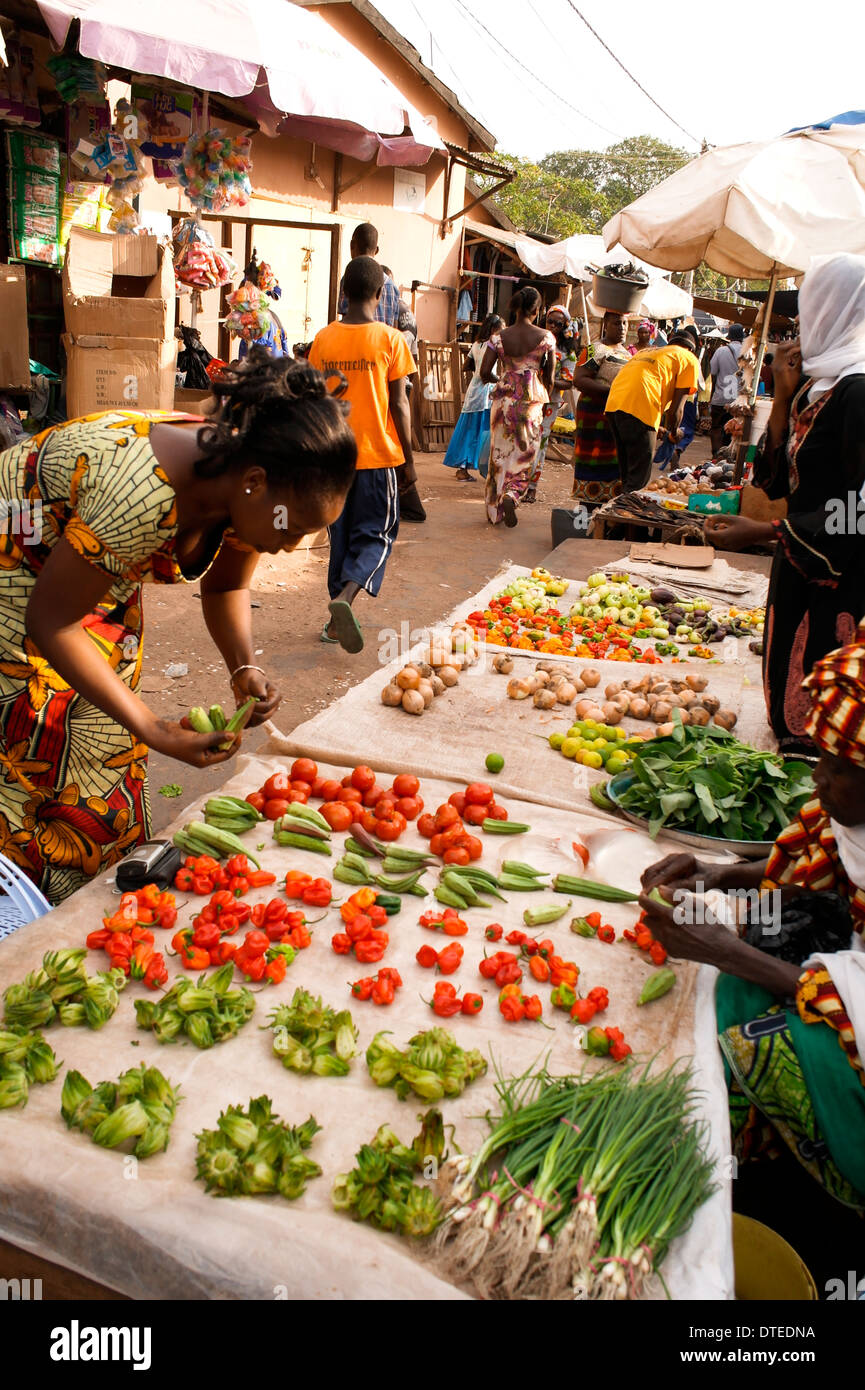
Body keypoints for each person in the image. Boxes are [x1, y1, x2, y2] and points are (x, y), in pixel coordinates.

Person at [0, 353, 357, 903]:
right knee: (40, 736)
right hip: (16, 559)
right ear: (256, 484)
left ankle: (104, 889)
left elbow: (226, 587)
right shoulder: (141, 491)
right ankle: (28, 909)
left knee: (107, 739)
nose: (294, 544)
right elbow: (50, 621)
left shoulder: (252, 486)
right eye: (296, 529)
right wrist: (156, 729)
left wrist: (244, 667)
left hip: (91, 572)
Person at [637, 626, 865, 1211]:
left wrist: (720, 949)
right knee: (764, 929)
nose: (816, 777)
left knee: (775, 1039)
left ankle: (804, 1184)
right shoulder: (851, 812)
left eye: (837, 768)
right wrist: (716, 873)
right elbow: (822, 856)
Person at [704, 252, 865, 753]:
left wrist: (765, 532)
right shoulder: (815, 384)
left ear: (837, 310)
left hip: (840, 572)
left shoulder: (858, 392)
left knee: (825, 710)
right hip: (797, 561)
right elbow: (775, 484)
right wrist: (781, 396)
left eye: (808, 310)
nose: (797, 327)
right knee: (787, 691)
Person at [308, 256, 415, 653]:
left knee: (341, 537)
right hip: (377, 458)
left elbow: (316, 401)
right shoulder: (391, 339)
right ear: (380, 292)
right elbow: (400, 404)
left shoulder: (322, 339)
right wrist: (410, 461)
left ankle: (335, 622)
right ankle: (347, 598)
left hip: (335, 461)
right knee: (377, 535)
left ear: (343, 293)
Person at [479, 287, 555, 527]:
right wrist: (542, 395)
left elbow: (483, 373)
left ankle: (494, 511)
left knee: (499, 455)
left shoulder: (498, 338)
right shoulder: (546, 337)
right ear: (537, 310)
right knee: (525, 454)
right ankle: (513, 494)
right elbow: (550, 377)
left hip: (504, 401)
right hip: (531, 401)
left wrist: (504, 381)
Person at [603, 332, 700, 492]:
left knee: (627, 471)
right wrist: (674, 432)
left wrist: (659, 428)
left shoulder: (648, 352)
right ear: (691, 348)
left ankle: (618, 511)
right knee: (638, 477)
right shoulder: (689, 359)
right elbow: (677, 410)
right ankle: (626, 512)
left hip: (614, 405)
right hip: (641, 407)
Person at [571, 310, 631, 509]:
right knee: (592, 463)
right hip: (593, 416)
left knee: (614, 465)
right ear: (606, 324)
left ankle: (605, 515)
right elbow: (579, 380)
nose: (621, 328)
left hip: (614, 417)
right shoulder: (594, 349)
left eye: (624, 323)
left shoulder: (626, 353)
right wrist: (613, 391)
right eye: (616, 323)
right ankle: (586, 512)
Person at [442, 314, 503, 481]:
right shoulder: (494, 345)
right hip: (485, 393)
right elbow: (486, 375)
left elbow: (466, 366)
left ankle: (463, 467)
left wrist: (477, 370)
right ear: (493, 330)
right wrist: (500, 380)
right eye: (500, 330)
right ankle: (475, 468)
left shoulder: (476, 344)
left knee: (468, 429)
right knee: (482, 432)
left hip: (473, 391)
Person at [532, 304, 580, 500]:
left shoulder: (568, 352)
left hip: (550, 403)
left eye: (557, 323)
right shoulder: (535, 341)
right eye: (549, 321)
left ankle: (532, 486)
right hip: (530, 398)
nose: (552, 326)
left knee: (540, 443)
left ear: (565, 326)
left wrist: (549, 381)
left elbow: (569, 382)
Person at [337, 222, 399, 327]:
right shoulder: (391, 285)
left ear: (352, 245)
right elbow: (395, 326)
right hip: (384, 342)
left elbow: (346, 322)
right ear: (377, 250)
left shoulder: (349, 278)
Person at [709, 323, 744, 455]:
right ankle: (729, 455)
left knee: (717, 427)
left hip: (720, 397)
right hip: (739, 401)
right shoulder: (748, 352)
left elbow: (713, 371)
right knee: (735, 429)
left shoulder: (721, 351)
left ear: (729, 337)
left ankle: (716, 454)